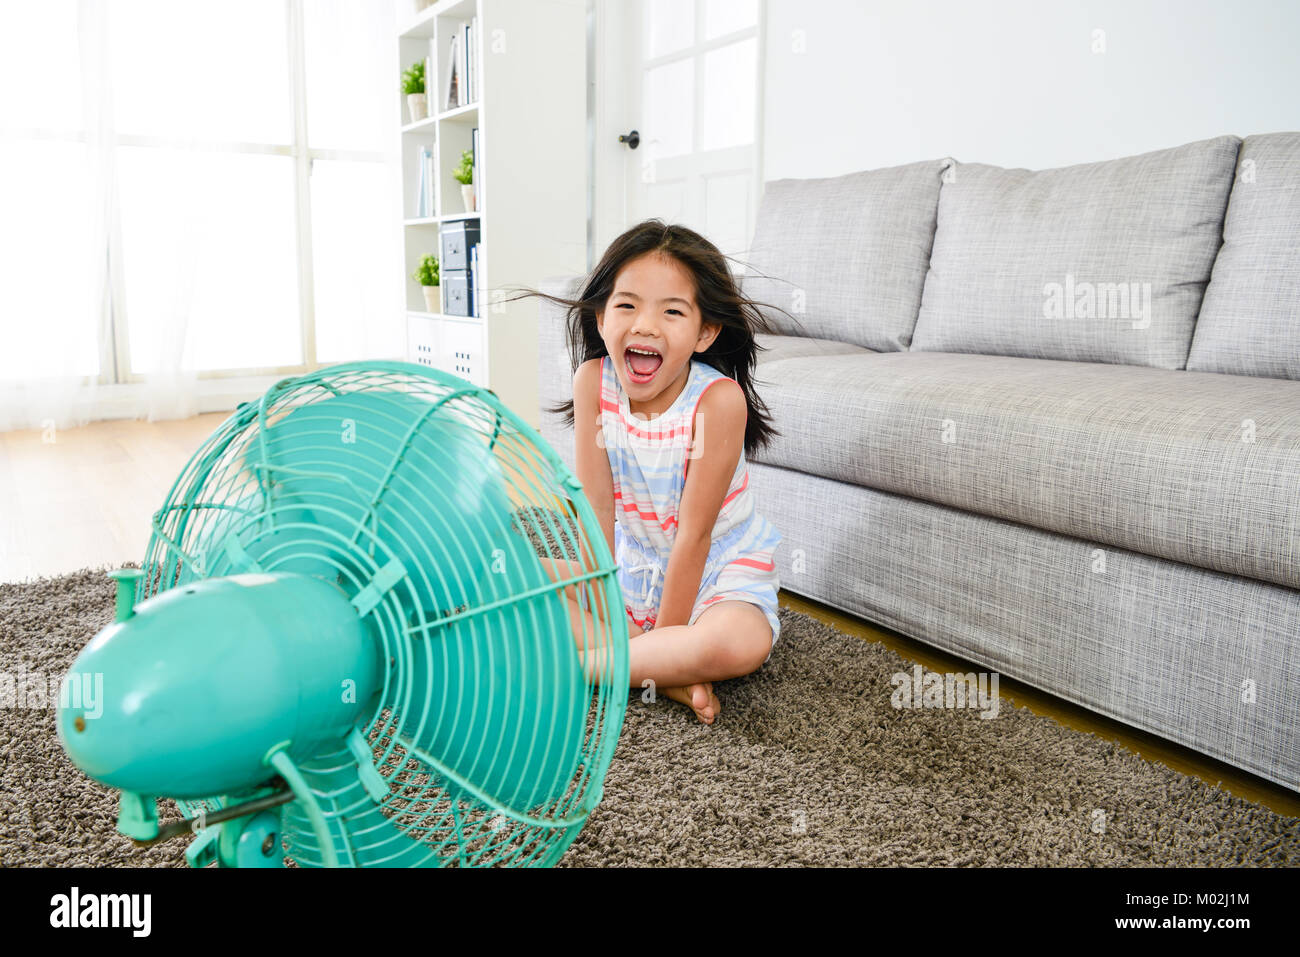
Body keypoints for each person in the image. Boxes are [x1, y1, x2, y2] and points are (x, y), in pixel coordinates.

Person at [519, 219, 799, 724]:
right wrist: (601, 597)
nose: (645, 324)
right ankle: (653, 664)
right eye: (626, 305)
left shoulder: (718, 402)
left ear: (705, 332)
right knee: (516, 578)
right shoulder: (593, 382)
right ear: (602, 318)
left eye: (672, 311)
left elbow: (694, 536)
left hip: (716, 573)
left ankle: (588, 667)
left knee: (743, 642)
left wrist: (671, 636)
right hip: (633, 567)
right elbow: (597, 508)